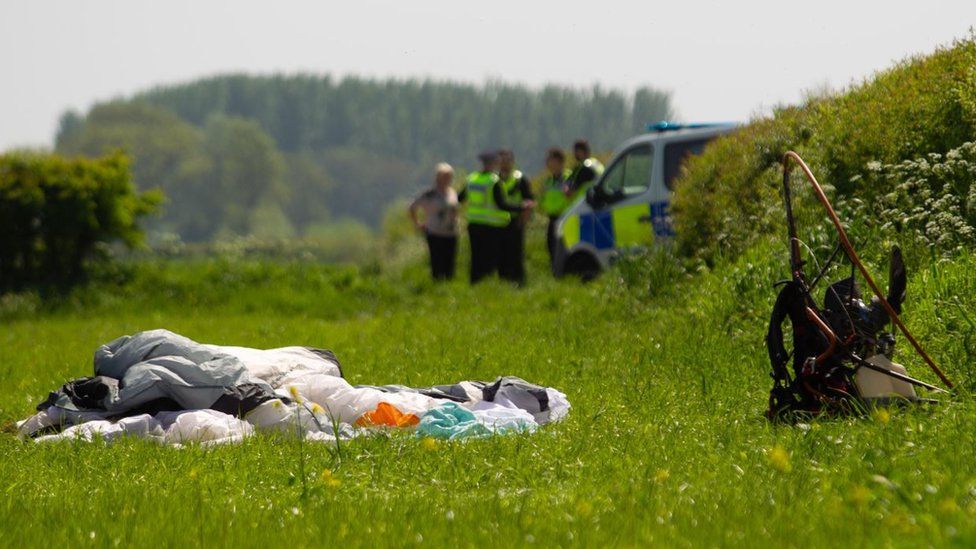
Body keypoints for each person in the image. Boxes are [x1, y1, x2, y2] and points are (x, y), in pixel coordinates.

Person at [459, 150, 506, 284]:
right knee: (490, 257)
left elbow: (459, 198)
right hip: (491, 224)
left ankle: (475, 282)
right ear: (494, 164)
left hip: (474, 223)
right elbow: (502, 204)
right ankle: (488, 282)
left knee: (476, 256)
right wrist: (521, 207)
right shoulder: (494, 181)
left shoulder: (472, 179)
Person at [408, 163, 460, 280]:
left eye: (450, 176)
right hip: (435, 232)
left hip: (451, 233)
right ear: (438, 177)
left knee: (450, 263)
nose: (448, 179)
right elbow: (412, 207)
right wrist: (417, 223)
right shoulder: (429, 194)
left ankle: (449, 288)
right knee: (437, 262)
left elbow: (455, 209)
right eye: (445, 176)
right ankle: (436, 288)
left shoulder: (452, 193)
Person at [495, 149, 535, 285]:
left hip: (515, 221)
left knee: (516, 254)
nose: (504, 164)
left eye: (507, 160)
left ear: (512, 162)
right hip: (498, 222)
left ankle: (519, 282)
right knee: (500, 255)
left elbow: (529, 201)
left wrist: (524, 219)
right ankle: (503, 282)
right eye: (501, 161)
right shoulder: (494, 180)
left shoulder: (519, 179)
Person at [539, 148, 573, 271]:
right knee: (551, 246)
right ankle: (555, 271)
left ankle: (564, 272)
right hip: (552, 217)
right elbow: (542, 198)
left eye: (551, 160)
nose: (548, 163)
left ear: (559, 162)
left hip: (564, 217)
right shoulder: (548, 181)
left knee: (563, 247)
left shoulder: (568, 177)